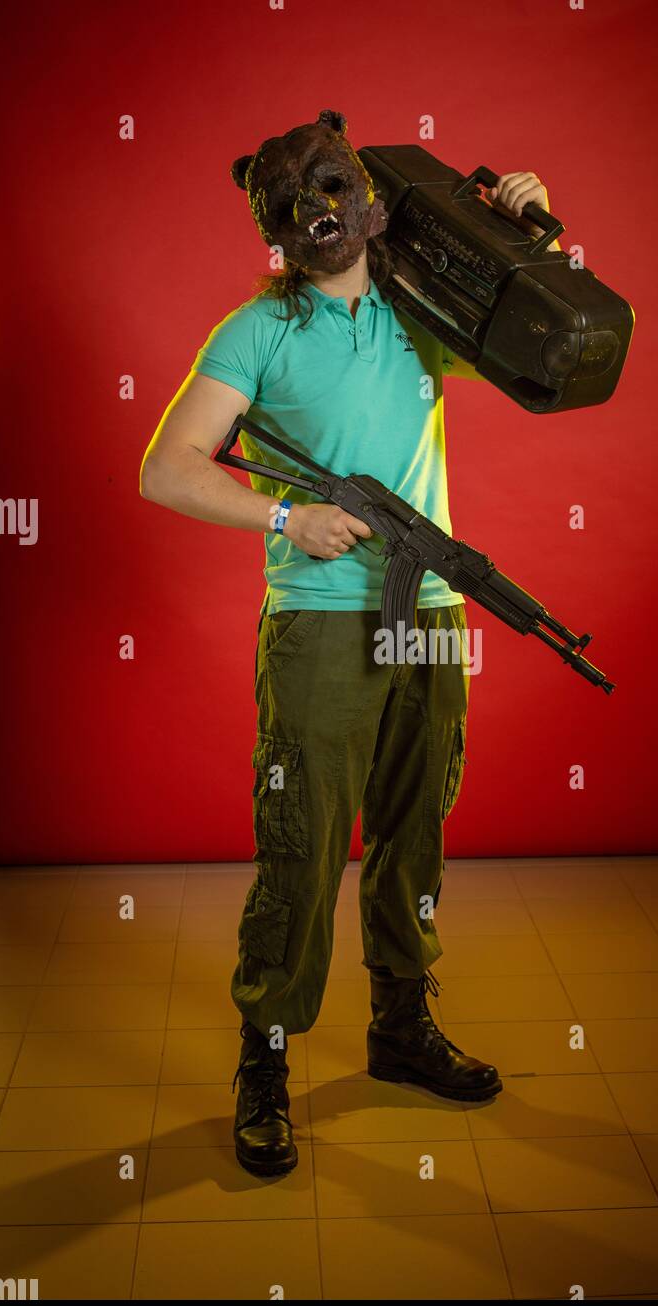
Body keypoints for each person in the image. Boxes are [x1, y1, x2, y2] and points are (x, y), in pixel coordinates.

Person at [140, 108, 559, 1178]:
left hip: (430, 619)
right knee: (305, 843)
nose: (317, 213)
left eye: (331, 189)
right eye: (293, 204)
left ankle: (401, 1028)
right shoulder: (256, 332)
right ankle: (266, 1061)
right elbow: (168, 464)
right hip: (319, 625)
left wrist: (529, 228)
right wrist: (284, 518)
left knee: (415, 827)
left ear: (369, 197)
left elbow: (544, 345)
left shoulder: (423, 315)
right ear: (272, 227)